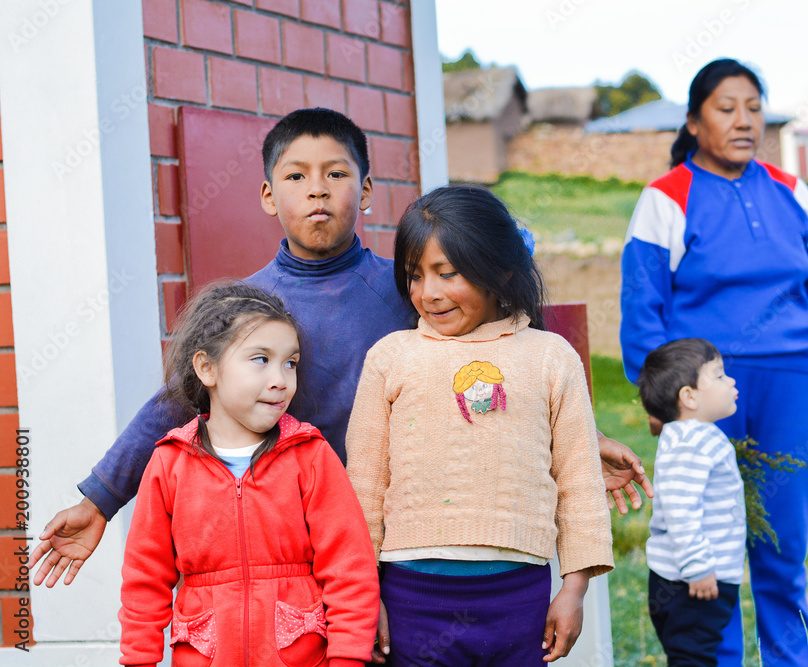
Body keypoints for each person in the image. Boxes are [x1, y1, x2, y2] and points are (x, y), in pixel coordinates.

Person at [29, 108, 650, 587]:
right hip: (292, 534)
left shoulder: (411, 290)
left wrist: (579, 440)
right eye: (296, 177)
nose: (317, 190)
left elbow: (498, 359)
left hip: (402, 535)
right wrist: (101, 499)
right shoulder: (242, 307)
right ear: (270, 196)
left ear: (368, 189)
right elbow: (175, 404)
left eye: (336, 174)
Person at [620, 59, 808, 666]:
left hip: (792, 380)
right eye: (726, 107)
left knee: (782, 541)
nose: (744, 120)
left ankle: (789, 659)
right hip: (704, 389)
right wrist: (660, 395)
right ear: (694, 120)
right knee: (709, 538)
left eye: (754, 107)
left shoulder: (791, 192)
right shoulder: (665, 198)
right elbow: (643, 303)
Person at [346, 185, 614, 666]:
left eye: (447, 273)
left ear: (501, 269)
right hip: (410, 596)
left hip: (519, 596)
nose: (428, 293)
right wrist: (364, 596)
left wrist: (574, 590)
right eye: (414, 275)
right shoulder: (391, 358)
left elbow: (579, 480)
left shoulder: (551, 358)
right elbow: (364, 486)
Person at [118, 282, 379, 666]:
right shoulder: (170, 463)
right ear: (207, 368)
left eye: (290, 362)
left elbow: (350, 571)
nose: (281, 379)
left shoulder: (310, 455)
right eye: (261, 359)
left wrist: (347, 659)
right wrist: (138, 660)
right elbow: (145, 579)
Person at [638, 338, 744, 666]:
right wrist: (697, 567)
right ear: (689, 396)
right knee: (692, 658)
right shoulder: (693, 442)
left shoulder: (688, 436)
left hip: (685, 579)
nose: (732, 382)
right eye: (720, 375)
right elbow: (680, 509)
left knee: (690, 654)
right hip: (691, 584)